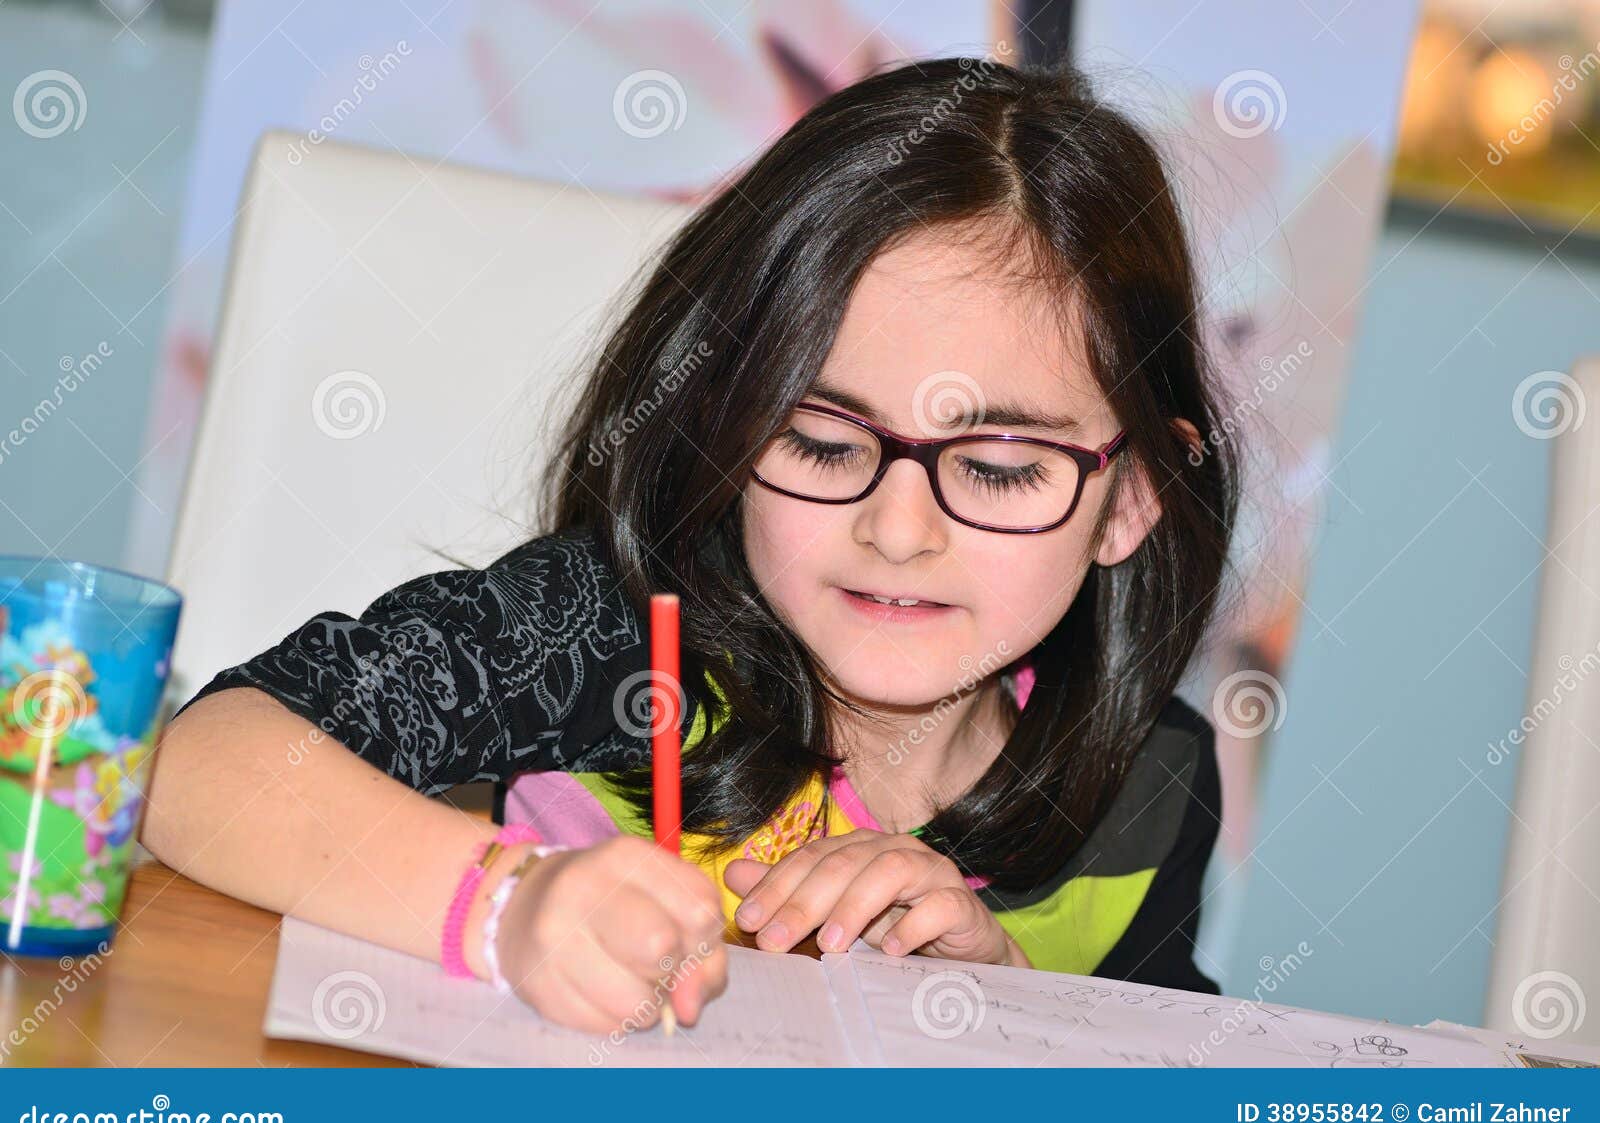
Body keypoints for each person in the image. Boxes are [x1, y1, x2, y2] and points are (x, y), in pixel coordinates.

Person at [143, 56, 1240, 1037]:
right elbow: (201, 768)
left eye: (999, 468)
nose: (896, 530)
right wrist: (505, 906)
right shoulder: (605, 636)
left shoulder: (1149, 781)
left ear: (1133, 495)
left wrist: (1003, 1000)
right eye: (817, 441)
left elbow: (1170, 1067)